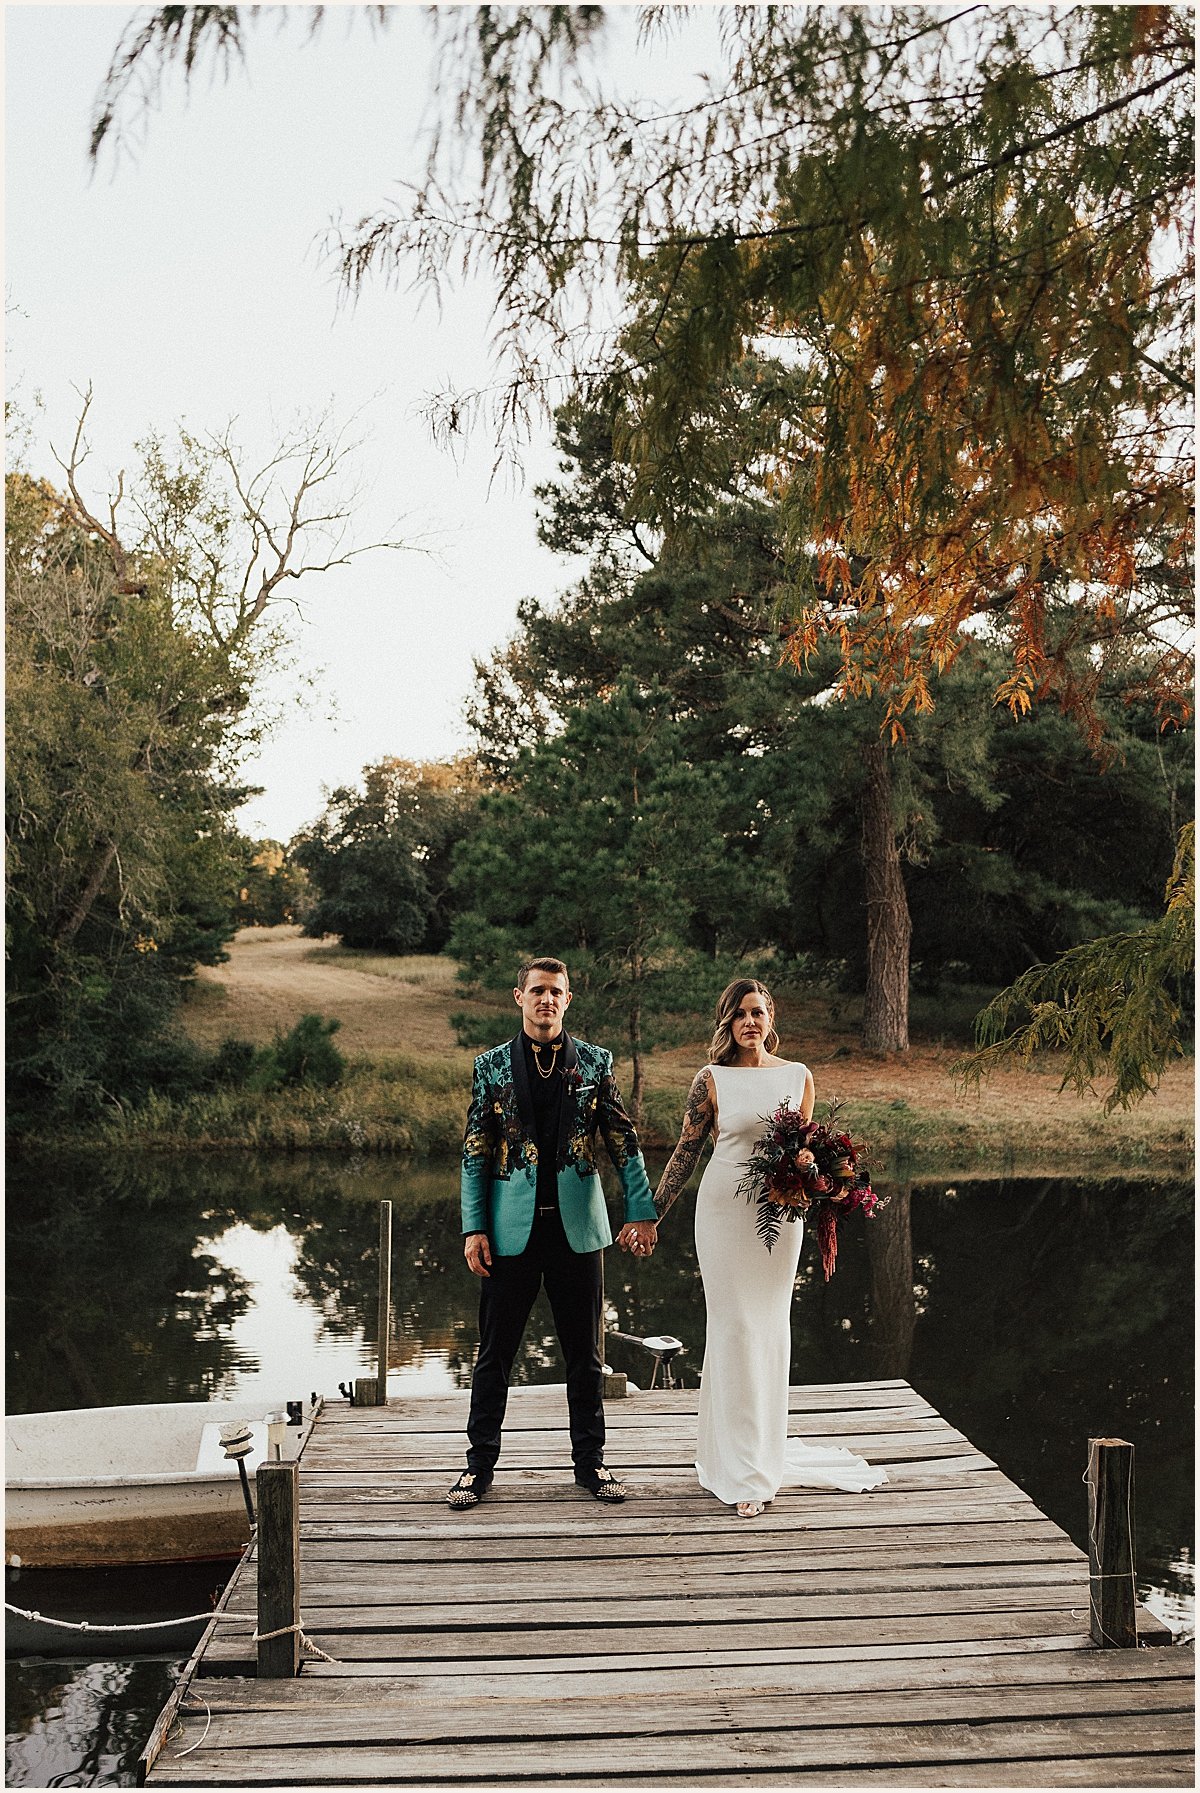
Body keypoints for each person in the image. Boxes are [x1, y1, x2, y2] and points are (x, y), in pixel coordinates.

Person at [620, 977, 887, 1517]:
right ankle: (734, 1467)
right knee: (732, 1327)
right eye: (740, 1013)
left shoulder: (798, 1076)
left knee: (767, 1328)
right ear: (727, 1022)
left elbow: (810, 1151)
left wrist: (828, 1188)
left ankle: (759, 1456)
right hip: (721, 1213)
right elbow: (685, 1154)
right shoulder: (710, 1079)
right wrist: (649, 1216)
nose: (750, 1022)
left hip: (779, 1216)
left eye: (759, 1012)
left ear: (771, 1020)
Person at [447, 957, 660, 1509]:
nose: (546, 1000)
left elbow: (623, 1141)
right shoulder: (491, 1066)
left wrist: (642, 1211)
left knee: (586, 1357)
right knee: (494, 1356)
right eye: (537, 990)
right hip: (509, 1232)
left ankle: (592, 1465)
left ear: (568, 1000)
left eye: (556, 992)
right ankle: (477, 1468)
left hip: (578, 1232)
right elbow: (475, 1154)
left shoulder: (595, 1062)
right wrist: (474, 1228)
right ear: (518, 996)